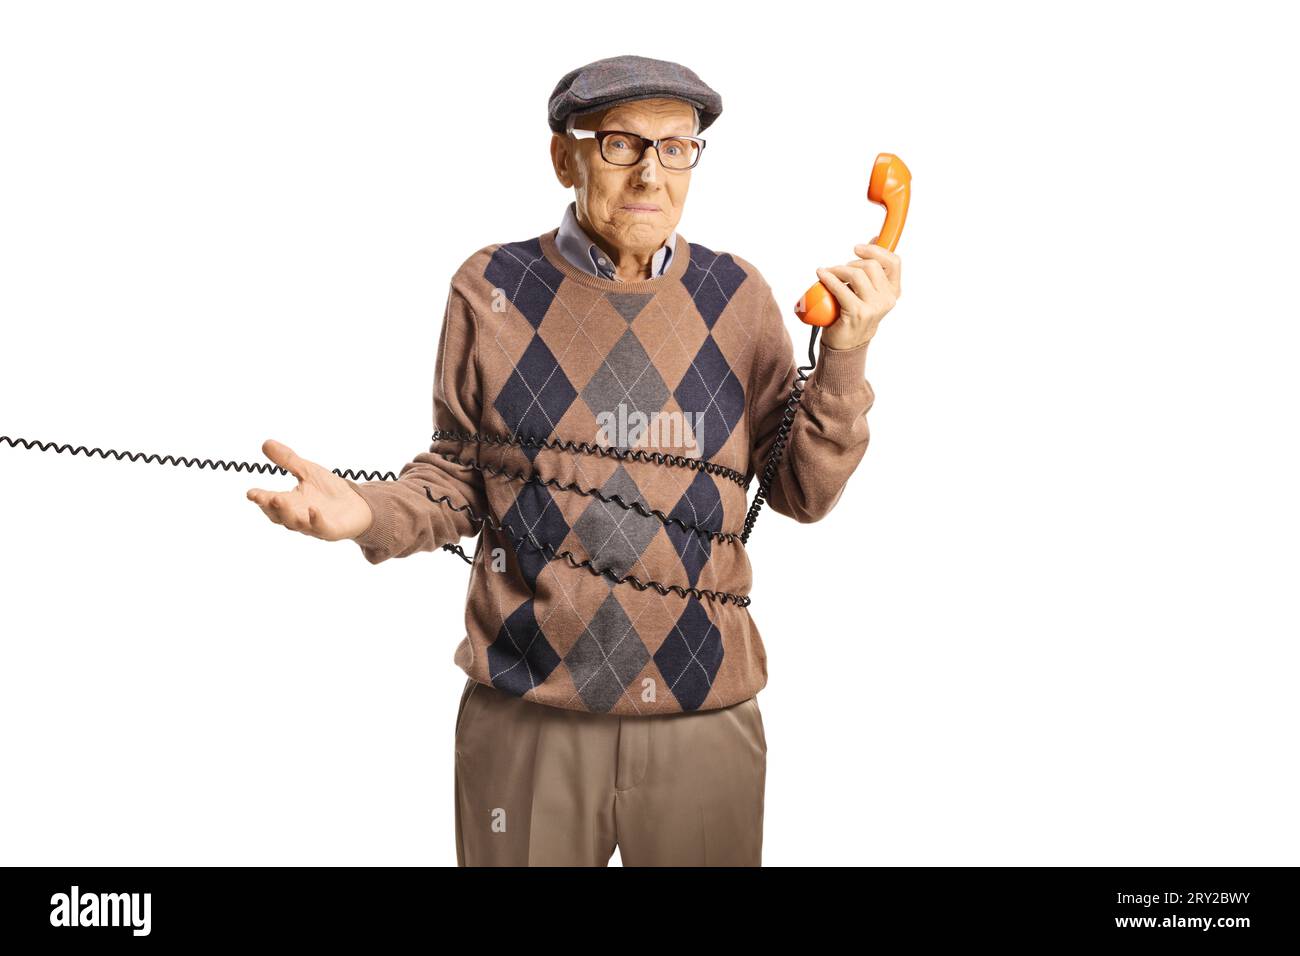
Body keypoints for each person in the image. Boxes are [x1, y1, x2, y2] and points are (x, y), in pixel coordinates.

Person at [246, 54, 902, 866]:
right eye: (621, 145)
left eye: (677, 147)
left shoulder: (739, 300)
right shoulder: (490, 288)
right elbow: (456, 477)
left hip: (705, 718)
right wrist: (367, 512)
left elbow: (803, 491)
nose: (650, 176)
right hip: (528, 715)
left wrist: (846, 354)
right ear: (566, 156)